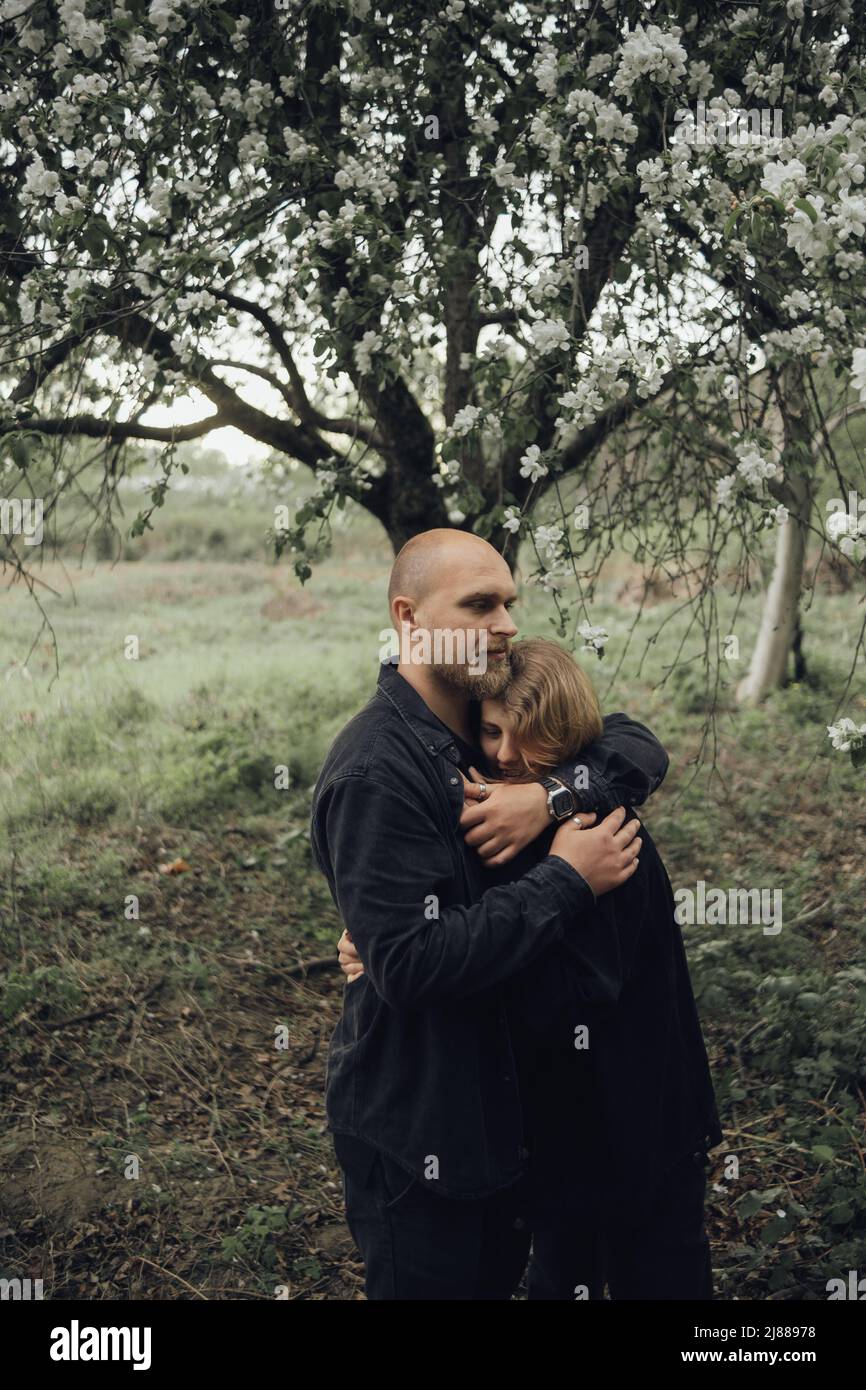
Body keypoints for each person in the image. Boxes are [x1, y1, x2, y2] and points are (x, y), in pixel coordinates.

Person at [311, 528, 670, 1300]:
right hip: (419, 1137)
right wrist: (570, 879)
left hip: (498, 1130)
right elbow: (409, 964)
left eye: (510, 601)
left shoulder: (479, 735)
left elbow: (631, 742)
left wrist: (552, 797)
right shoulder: (380, 768)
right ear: (409, 619)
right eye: (479, 604)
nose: (505, 622)